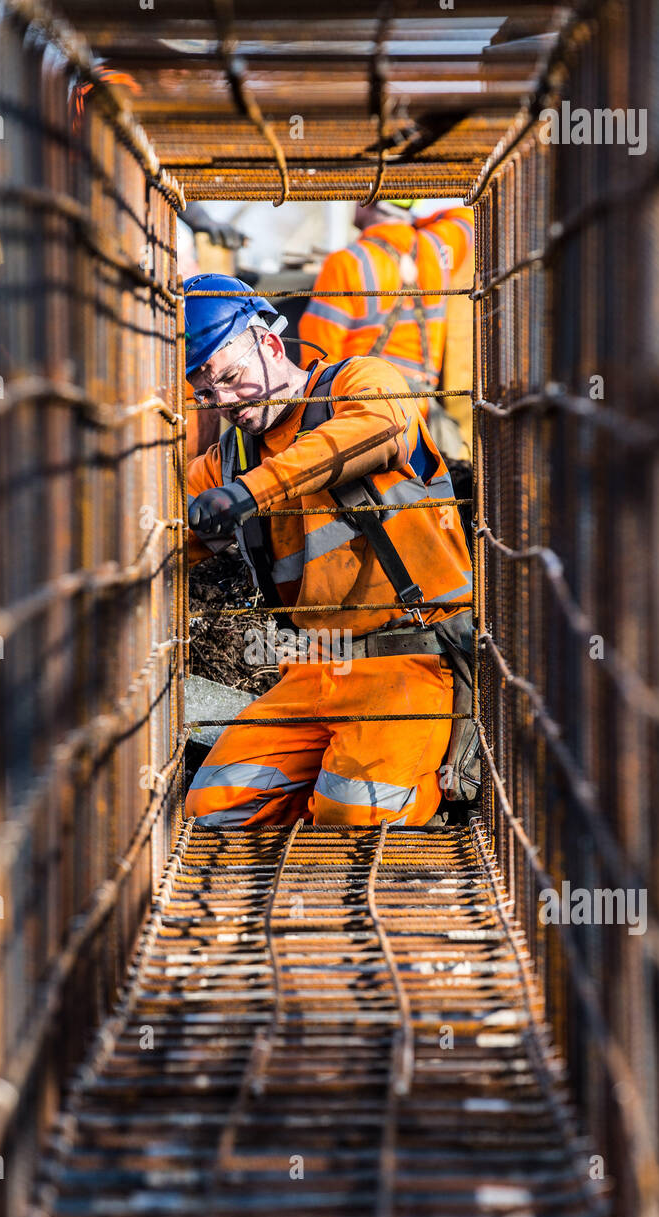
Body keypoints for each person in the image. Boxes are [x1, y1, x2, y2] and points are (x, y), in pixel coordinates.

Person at [182, 273, 474, 828]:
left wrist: (248, 494)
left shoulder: (358, 384)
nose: (223, 402)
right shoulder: (228, 460)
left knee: (358, 818)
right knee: (215, 808)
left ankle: (428, 795)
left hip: (411, 662)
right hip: (313, 670)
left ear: (268, 343)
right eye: (205, 392)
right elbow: (164, 532)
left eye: (230, 377)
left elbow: (379, 425)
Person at [299, 199, 474, 468]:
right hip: (423, 413)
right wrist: (409, 221)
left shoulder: (346, 262)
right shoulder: (439, 247)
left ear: (366, 201)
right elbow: (467, 216)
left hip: (367, 417)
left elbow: (317, 359)